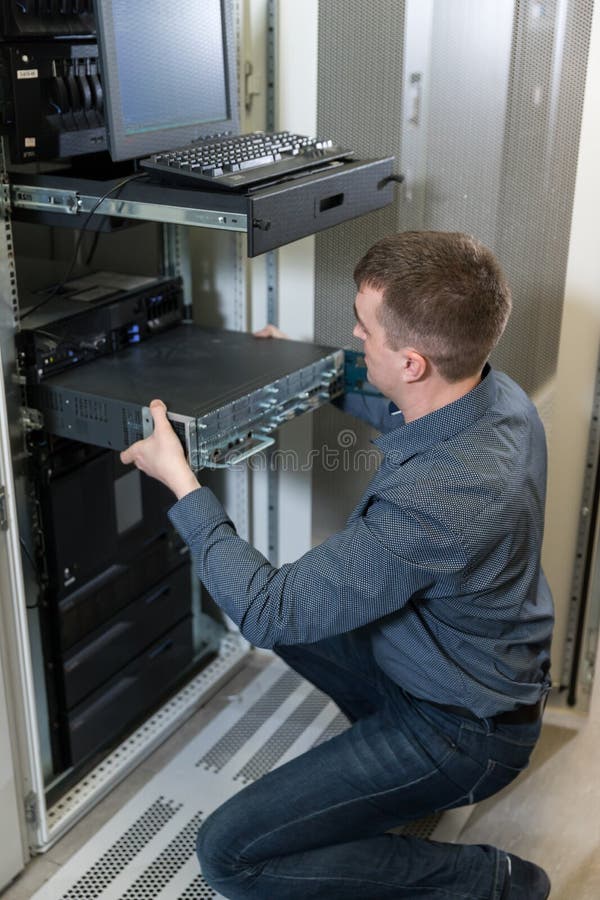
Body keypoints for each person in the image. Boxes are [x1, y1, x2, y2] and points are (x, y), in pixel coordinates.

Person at [121, 231, 554, 899]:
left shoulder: (441, 497)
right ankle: (382, 774)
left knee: (230, 855)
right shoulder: (498, 398)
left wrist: (181, 482)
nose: (354, 333)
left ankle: (487, 881)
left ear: (411, 362)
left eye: (364, 328)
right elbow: (393, 397)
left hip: (461, 732)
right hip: (456, 671)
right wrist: (305, 367)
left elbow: (267, 611)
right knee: (304, 607)